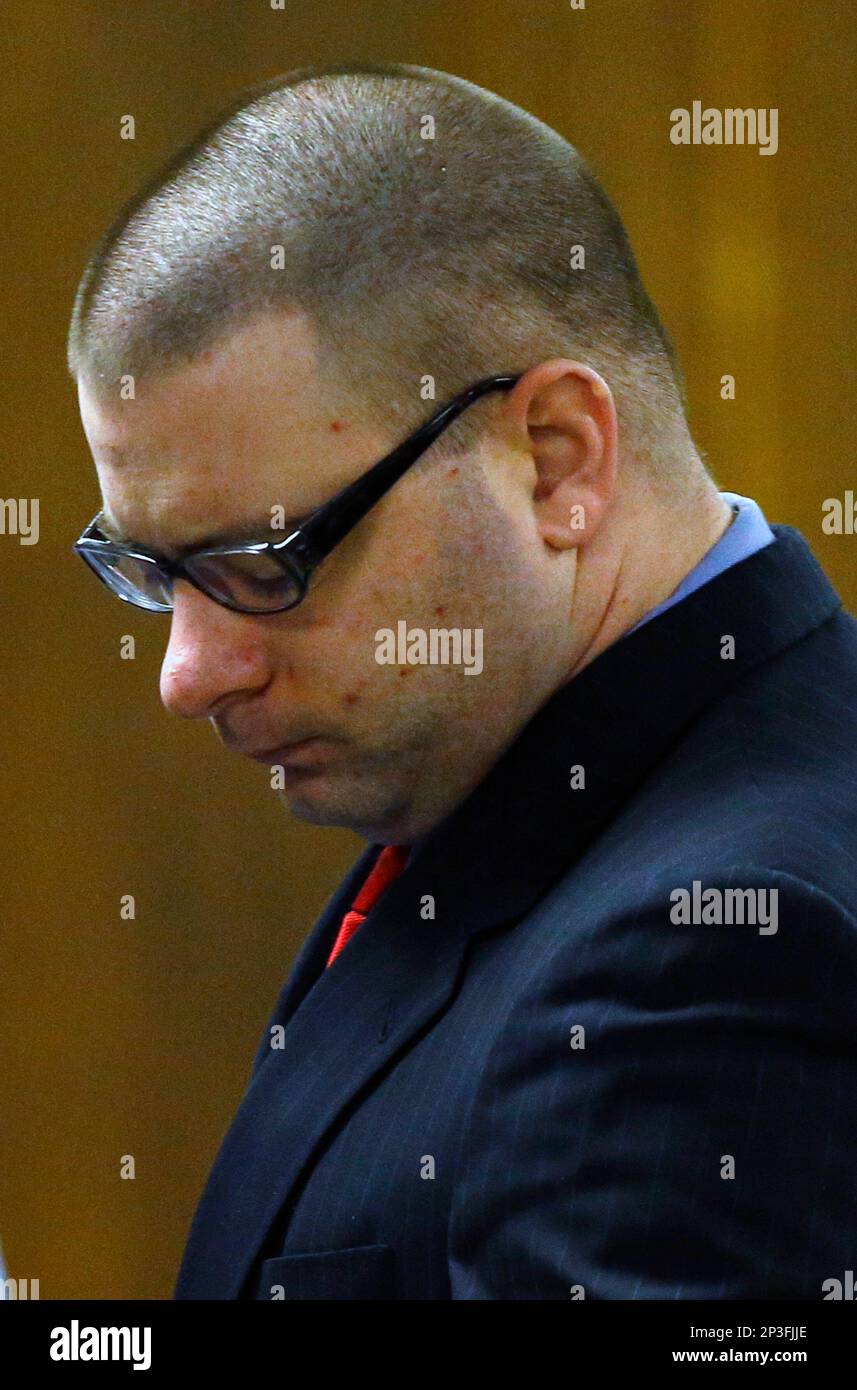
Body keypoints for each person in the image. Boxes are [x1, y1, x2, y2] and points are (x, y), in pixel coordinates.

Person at [67, 63, 857, 1300]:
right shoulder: (513, 789)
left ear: (553, 461)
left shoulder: (712, 951)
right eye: (151, 570)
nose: (188, 673)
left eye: (260, 563)